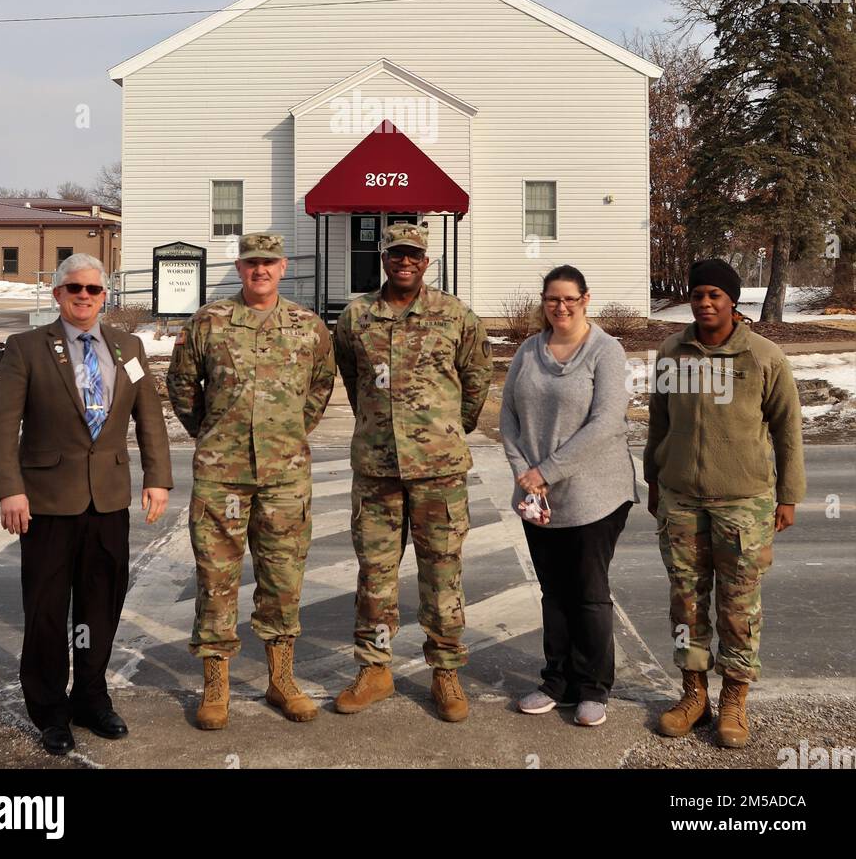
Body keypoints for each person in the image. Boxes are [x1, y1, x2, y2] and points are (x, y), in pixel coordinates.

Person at [0, 253, 172, 756]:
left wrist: (158, 477)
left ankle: (90, 696)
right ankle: (50, 711)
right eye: (74, 289)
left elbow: (149, 418)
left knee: (99, 606)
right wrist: (10, 488)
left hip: (107, 499)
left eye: (93, 288)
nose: (84, 296)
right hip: (45, 502)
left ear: (105, 295)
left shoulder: (128, 346)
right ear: (58, 294)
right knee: (47, 610)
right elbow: (2, 424)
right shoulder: (27, 348)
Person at [166, 233, 335, 729]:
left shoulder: (308, 326)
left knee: (282, 580)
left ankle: (281, 679)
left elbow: (321, 385)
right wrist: (210, 434)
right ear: (239, 268)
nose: (260, 270)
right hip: (223, 476)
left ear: (283, 267)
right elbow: (181, 383)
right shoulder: (210, 321)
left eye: (268, 263)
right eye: (250, 263)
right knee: (217, 579)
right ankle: (215, 684)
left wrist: (291, 432)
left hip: (285, 475)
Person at [332, 222, 493, 723]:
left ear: (427, 261)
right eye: (396, 254)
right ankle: (375, 669)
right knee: (375, 576)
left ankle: (445, 671)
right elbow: (352, 377)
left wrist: (446, 428)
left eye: (414, 255)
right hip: (377, 471)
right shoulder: (356, 317)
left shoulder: (456, 316)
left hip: (439, 472)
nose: (405, 262)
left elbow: (476, 380)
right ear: (384, 258)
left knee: (442, 574)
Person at [644, 258, 805, 748]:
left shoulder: (763, 357)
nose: (705, 302)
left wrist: (789, 496)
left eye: (715, 294)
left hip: (744, 504)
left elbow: (787, 430)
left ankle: (734, 699)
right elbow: (660, 422)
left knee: (739, 608)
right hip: (682, 501)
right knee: (685, 604)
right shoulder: (673, 351)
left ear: (733, 301)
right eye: (698, 295)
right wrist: (653, 479)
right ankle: (693, 693)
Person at [500, 265, 636, 728]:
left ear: (585, 300)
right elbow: (508, 416)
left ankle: (593, 687)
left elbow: (606, 424)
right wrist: (525, 474)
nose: (560, 307)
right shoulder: (527, 351)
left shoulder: (606, 351)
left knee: (589, 593)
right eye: (552, 299)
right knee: (553, 592)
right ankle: (556, 681)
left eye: (569, 299)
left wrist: (547, 471)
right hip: (537, 495)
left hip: (594, 494)